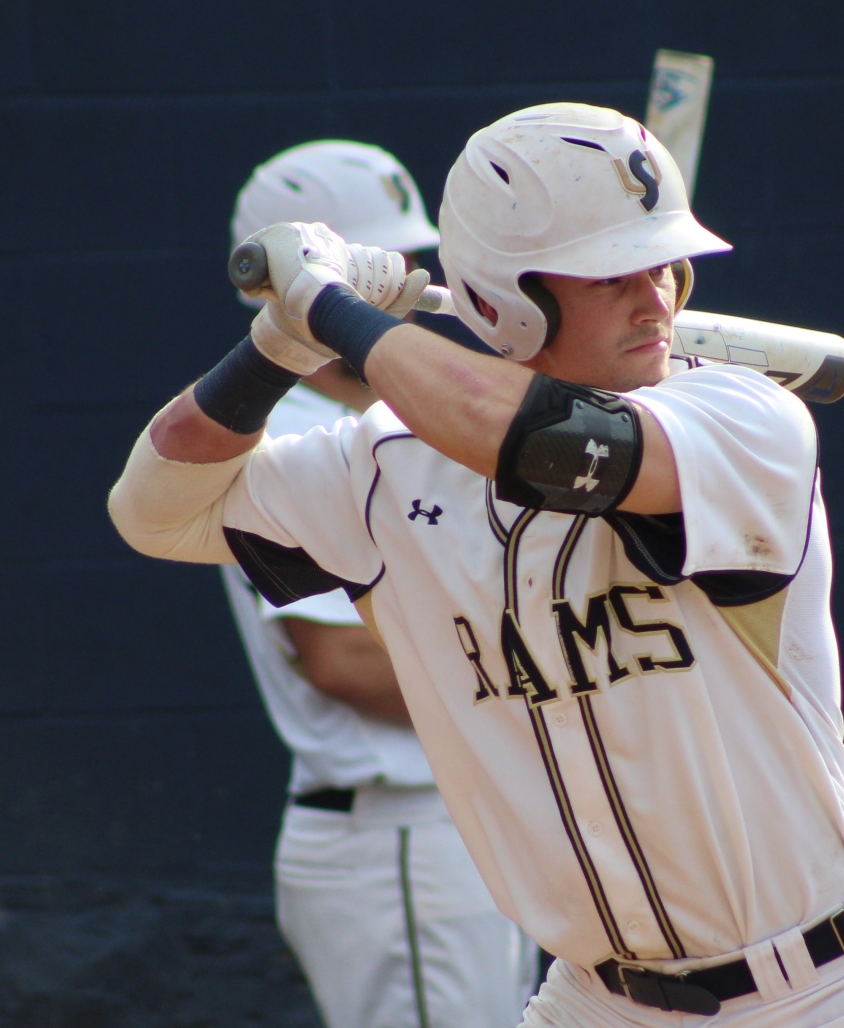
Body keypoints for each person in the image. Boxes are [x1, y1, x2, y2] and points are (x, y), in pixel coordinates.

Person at [111, 104, 844, 1026]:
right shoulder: (385, 465)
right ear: (504, 298)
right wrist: (279, 346)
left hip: (831, 987)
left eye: (666, 263)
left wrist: (334, 308)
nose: (658, 298)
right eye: (612, 275)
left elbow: (545, 442)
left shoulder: (745, 420)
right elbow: (155, 510)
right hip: (598, 1000)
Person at [219, 140, 538, 1028]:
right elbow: (341, 662)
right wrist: (545, 682)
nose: (395, 288)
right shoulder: (284, 436)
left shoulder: (390, 420)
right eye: (368, 267)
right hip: (395, 834)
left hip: (455, 821)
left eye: (400, 262)